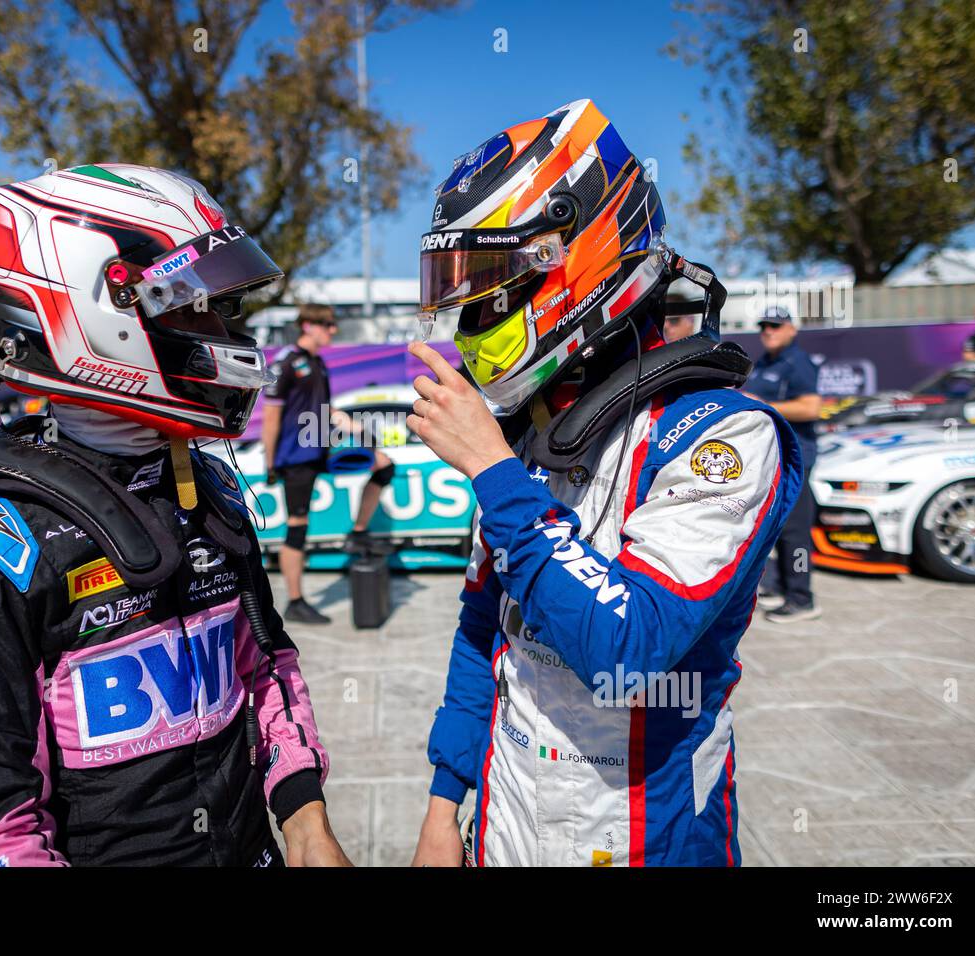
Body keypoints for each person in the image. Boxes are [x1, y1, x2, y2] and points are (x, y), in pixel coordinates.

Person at [0, 164, 348, 866]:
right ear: (98, 310)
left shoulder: (208, 490)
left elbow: (265, 668)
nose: (223, 330)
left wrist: (308, 825)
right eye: (194, 306)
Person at [407, 100, 802, 866]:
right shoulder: (529, 429)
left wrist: (493, 471)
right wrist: (441, 806)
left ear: (574, 255)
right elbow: (486, 629)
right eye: (462, 285)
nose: (472, 310)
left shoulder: (723, 434)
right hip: (505, 826)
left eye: (490, 282)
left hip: (646, 837)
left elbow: (626, 651)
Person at [262, 304, 394, 624]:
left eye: (333, 324)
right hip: (294, 458)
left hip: (320, 448)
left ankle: (358, 532)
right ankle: (295, 601)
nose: (333, 330)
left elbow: (326, 410)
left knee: (384, 465)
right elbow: (271, 416)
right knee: (297, 530)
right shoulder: (286, 363)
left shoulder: (318, 363)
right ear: (308, 325)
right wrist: (270, 464)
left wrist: (354, 427)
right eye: (327, 324)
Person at [742, 306, 822, 623]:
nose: (768, 331)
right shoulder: (765, 361)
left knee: (796, 533)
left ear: (792, 329)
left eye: (775, 326)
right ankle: (776, 586)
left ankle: (802, 598)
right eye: (764, 326)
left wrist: (766, 406)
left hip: (796, 459)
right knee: (769, 528)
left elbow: (812, 407)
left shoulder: (798, 362)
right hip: (771, 457)